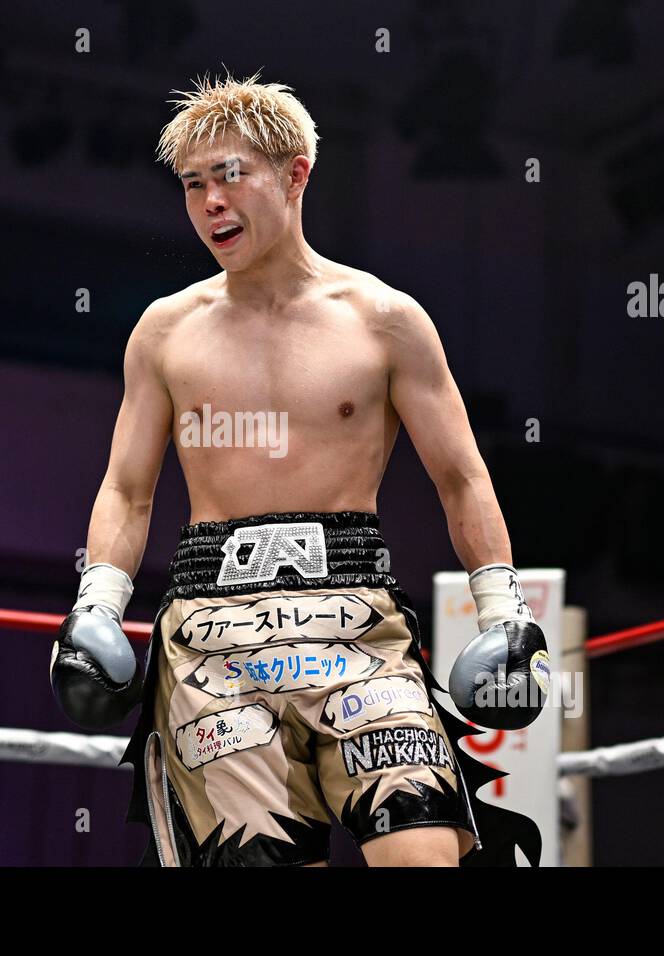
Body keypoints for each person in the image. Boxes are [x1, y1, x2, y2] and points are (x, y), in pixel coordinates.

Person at [50, 73, 549, 867]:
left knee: (423, 855)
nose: (210, 201)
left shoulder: (385, 320)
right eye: (192, 185)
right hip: (212, 644)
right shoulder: (164, 332)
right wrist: (98, 604)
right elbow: (128, 487)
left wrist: (506, 613)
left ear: (295, 174)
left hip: (357, 627)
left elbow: (462, 477)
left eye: (229, 175)